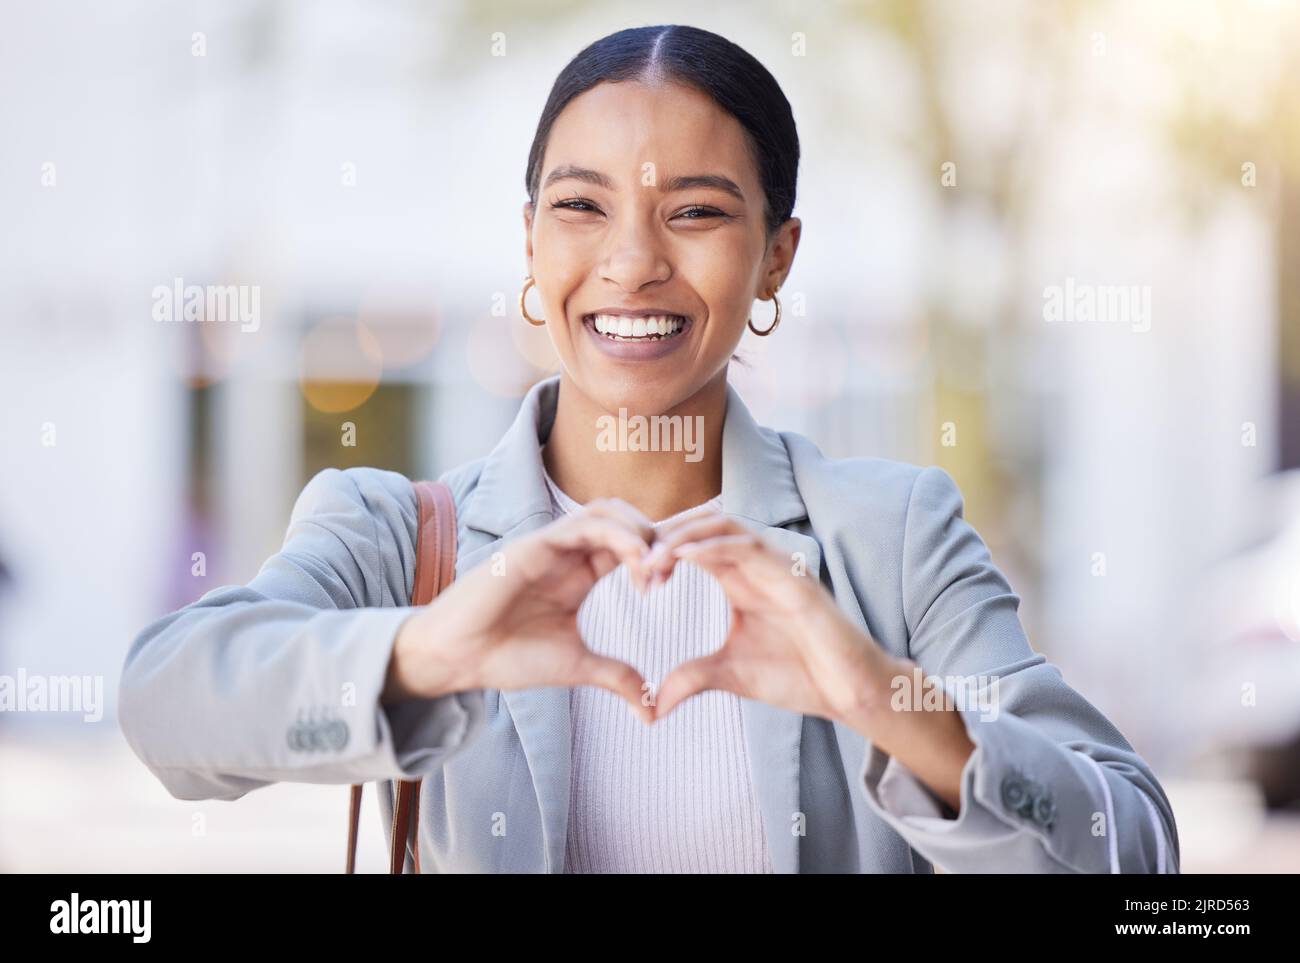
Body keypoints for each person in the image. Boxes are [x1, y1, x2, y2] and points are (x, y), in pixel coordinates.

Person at [119, 23, 1179, 874]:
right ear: (530, 239)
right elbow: (167, 705)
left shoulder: (890, 537)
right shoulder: (398, 532)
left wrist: (886, 703)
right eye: (581, 206)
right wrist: (427, 653)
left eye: (697, 213)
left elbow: (1134, 852)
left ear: (776, 258)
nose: (631, 262)